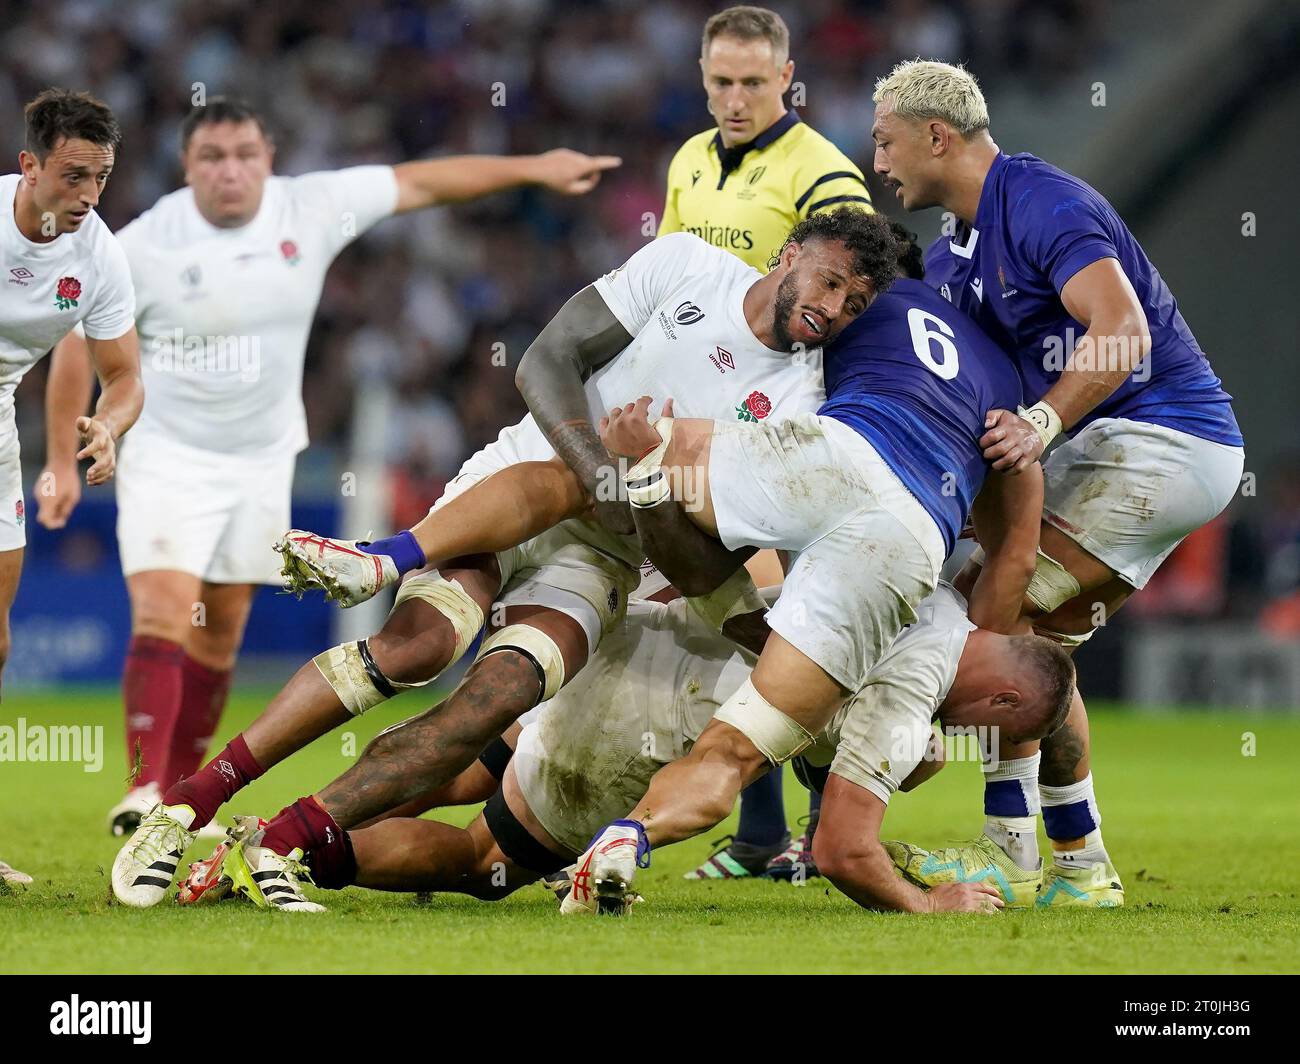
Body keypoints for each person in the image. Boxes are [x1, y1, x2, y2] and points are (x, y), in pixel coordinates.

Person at [109, 211, 883, 908]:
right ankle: (187, 804)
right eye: (831, 280)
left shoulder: (799, 410)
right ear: (790, 254)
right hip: (513, 485)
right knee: (416, 648)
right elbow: (545, 362)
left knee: (498, 695)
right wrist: (603, 469)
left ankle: (275, 843)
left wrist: (635, 491)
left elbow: (707, 540)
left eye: (854, 304)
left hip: (604, 556)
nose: (834, 307)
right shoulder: (686, 264)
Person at [44, 96, 622, 838]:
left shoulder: (308, 208)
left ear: (269, 158)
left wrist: (533, 167)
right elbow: (74, 342)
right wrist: (64, 455)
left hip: (260, 458)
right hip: (165, 453)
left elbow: (421, 183)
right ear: (186, 167)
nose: (231, 172)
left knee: (217, 633)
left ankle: (179, 799)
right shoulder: (144, 243)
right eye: (212, 158)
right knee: (163, 610)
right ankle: (143, 786)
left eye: (246, 155)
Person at [562, 221, 1033, 907]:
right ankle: (628, 837)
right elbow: (1015, 547)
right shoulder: (999, 370)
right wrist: (933, 903)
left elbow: (784, 338)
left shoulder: (861, 318)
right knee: (734, 753)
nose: (844, 307)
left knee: (644, 443)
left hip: (831, 457)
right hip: (908, 537)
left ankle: (569, 536)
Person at [868, 60, 1245, 905]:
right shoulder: (949, 257)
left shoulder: (1039, 201)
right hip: (1115, 446)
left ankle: (1010, 845)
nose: (880, 162)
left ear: (938, 135)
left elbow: (1121, 329)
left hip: (1162, 438)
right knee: (1033, 646)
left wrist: (1041, 422)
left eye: (888, 142)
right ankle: (1079, 864)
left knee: (990, 612)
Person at [180, 579, 1072, 915]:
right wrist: (929, 906)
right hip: (652, 733)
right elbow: (843, 848)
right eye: (991, 728)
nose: (971, 736)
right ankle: (287, 855)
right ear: (997, 694)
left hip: (629, 630)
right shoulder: (913, 696)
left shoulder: (924, 580)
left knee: (463, 761)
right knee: (479, 858)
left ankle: (271, 825)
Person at [659, 2, 875, 883]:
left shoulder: (822, 173)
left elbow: (865, 286)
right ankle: (762, 837)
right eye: (722, 82)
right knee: (741, 624)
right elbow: (670, 290)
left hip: (787, 416)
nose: (736, 98)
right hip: (703, 416)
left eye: (754, 82)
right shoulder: (689, 162)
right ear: (704, 79)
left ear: (787, 78)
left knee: (779, 620)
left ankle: (817, 826)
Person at [1, 89, 143, 886]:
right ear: (29, 167)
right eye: (72, 175)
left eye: (102, 177)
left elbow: (121, 375)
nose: (88, 196)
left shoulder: (98, 255)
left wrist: (104, 427)